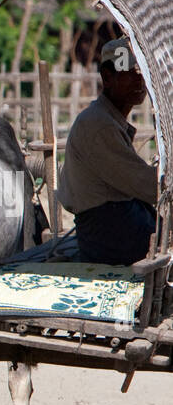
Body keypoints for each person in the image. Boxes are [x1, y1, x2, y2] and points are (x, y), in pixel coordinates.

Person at [57, 36, 160, 265]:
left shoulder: (106, 120)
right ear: (107, 77)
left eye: (141, 72)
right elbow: (149, 187)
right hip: (109, 233)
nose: (139, 80)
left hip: (118, 221)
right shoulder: (99, 125)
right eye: (130, 73)